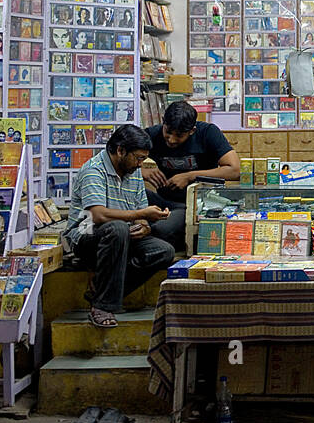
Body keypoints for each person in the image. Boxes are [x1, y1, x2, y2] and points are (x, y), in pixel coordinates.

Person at [65, 125, 174, 329]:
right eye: (138, 158)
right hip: (86, 236)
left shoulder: (132, 172)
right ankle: (102, 306)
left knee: (163, 251)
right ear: (120, 150)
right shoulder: (93, 170)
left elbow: (140, 210)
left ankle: (100, 288)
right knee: (117, 229)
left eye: (143, 159)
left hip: (120, 236)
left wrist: (144, 226)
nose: (140, 164)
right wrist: (141, 215)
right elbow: (97, 215)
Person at [141, 100, 242, 251]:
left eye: (179, 136)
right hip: (163, 201)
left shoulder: (207, 133)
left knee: (161, 229)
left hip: (195, 204)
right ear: (163, 123)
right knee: (136, 198)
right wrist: (142, 172)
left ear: (192, 131)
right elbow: (119, 157)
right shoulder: (152, 134)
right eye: (168, 132)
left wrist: (190, 176)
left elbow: (234, 170)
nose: (171, 140)